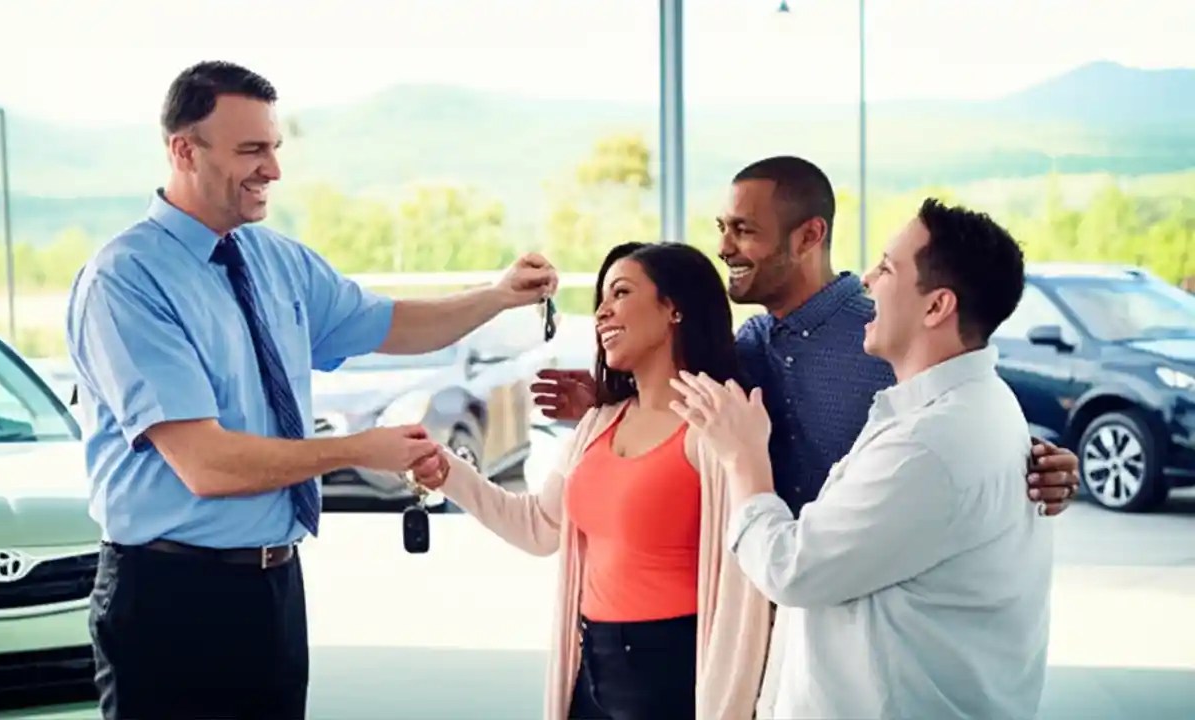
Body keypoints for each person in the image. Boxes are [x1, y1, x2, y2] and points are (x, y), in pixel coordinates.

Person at [64, 61, 557, 720]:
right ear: (183, 150)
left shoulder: (276, 261)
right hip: (168, 596)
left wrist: (497, 297)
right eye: (251, 150)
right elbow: (205, 464)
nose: (272, 168)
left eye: (273, 148)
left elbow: (395, 324)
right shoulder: (126, 281)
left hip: (271, 588)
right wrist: (357, 449)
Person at [532, 156, 1080, 518]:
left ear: (809, 236)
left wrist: (1041, 464)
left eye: (744, 231)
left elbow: (971, 426)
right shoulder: (742, 345)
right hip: (754, 611)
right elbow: (680, 424)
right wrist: (606, 404)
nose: (724, 249)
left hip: (853, 617)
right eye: (722, 229)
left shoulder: (888, 340)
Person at [673, 198, 1054, 719]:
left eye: (887, 267)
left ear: (936, 306)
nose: (868, 279)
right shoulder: (973, 406)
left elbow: (792, 569)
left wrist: (744, 461)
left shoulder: (927, 446)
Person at [412, 242, 772, 720]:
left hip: (673, 671)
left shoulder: (718, 424)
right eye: (601, 298)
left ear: (674, 309)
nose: (601, 312)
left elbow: (752, 575)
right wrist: (446, 471)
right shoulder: (600, 422)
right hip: (593, 666)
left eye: (620, 293)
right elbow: (540, 526)